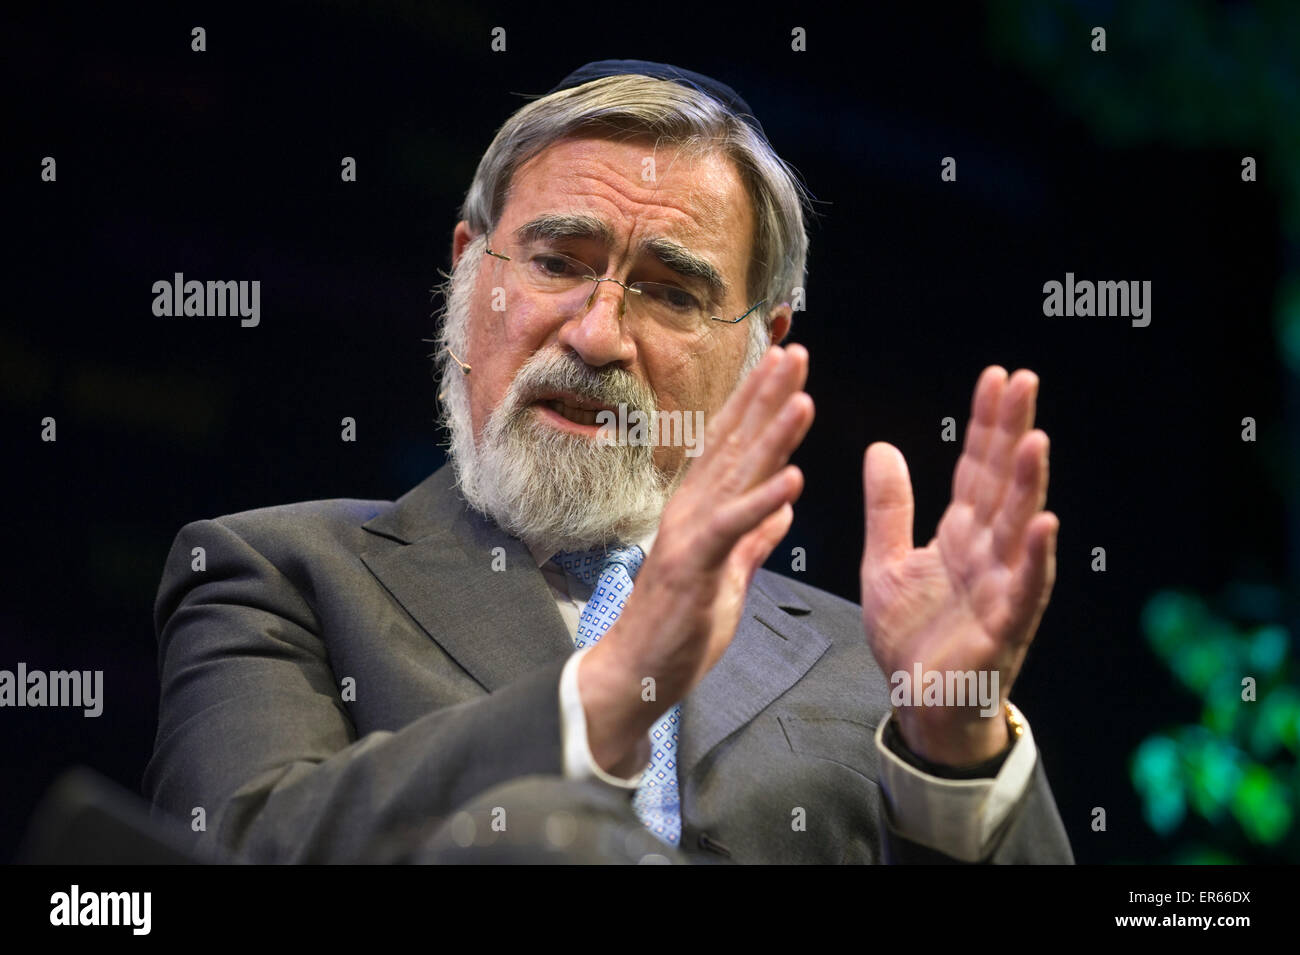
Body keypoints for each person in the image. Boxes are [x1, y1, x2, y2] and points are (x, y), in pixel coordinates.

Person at [144, 60, 1073, 864]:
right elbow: (237, 845)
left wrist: (956, 750)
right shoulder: (277, 576)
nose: (596, 337)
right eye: (556, 263)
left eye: (672, 292)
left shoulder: (878, 668)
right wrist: (613, 683)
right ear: (473, 277)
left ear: (764, 345)